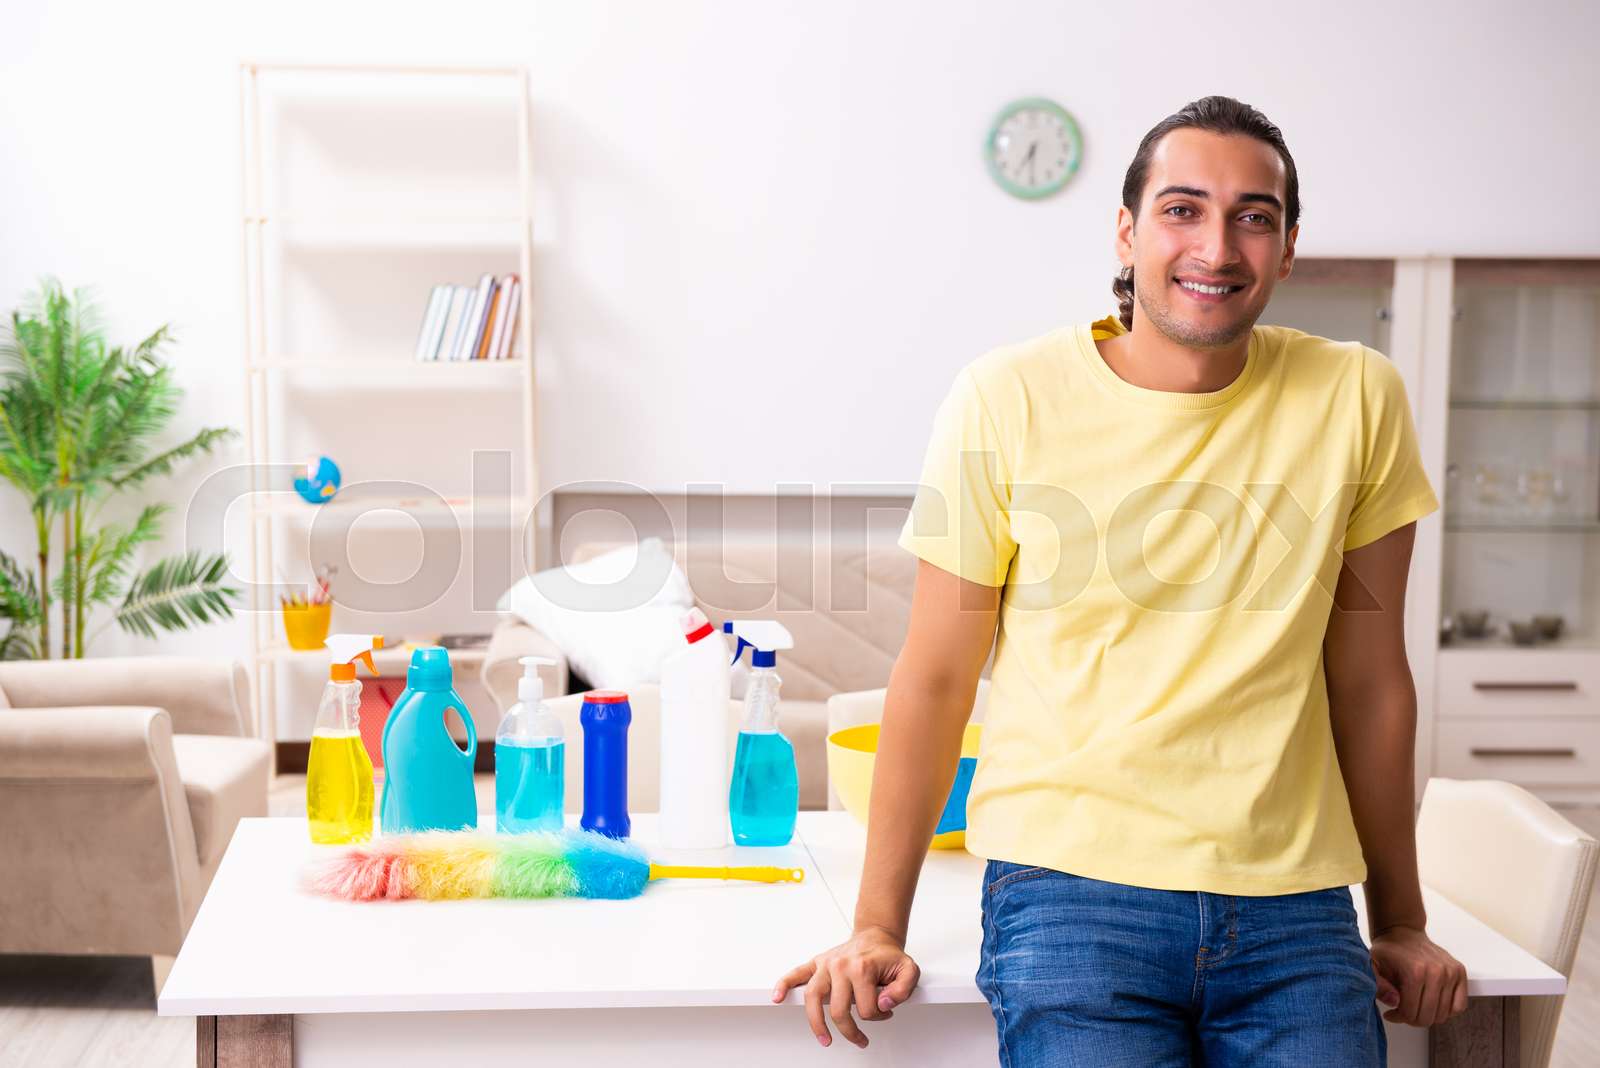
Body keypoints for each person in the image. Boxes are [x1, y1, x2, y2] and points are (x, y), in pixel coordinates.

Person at [772, 95, 1468, 1065]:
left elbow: (1371, 682)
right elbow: (935, 677)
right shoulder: (1007, 396)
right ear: (1127, 232)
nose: (1216, 247)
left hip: (1294, 904)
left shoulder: (1357, 396)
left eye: (1253, 217)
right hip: (1069, 894)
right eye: (1182, 210)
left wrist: (1400, 918)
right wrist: (876, 924)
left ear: (1287, 248)